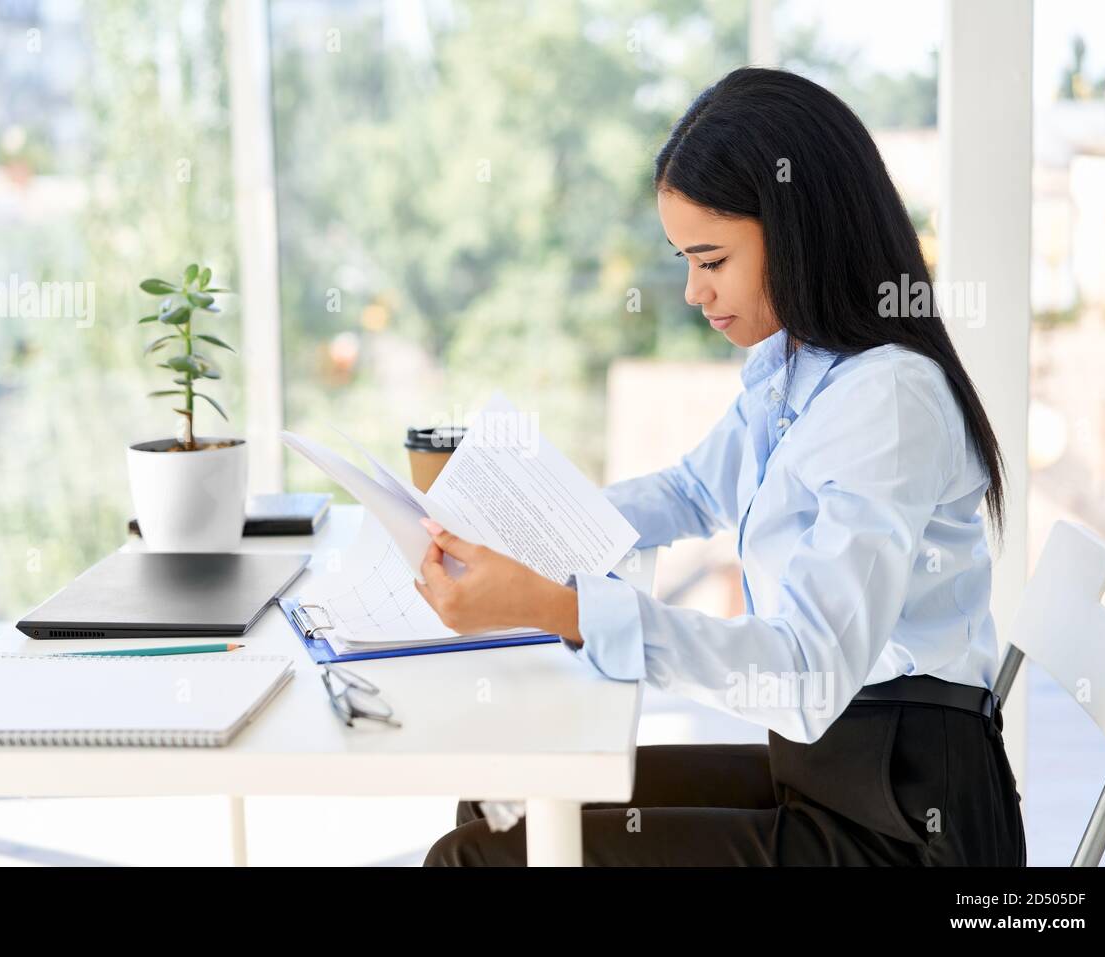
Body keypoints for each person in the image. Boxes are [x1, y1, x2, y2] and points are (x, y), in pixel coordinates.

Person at [416, 67, 1027, 866]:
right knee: (499, 806)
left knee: (483, 857)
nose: (694, 292)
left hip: (906, 819)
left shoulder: (890, 402)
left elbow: (806, 676)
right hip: (826, 767)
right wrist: (534, 528)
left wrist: (566, 610)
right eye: (685, 261)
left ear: (800, 227)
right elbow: (694, 489)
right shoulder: (800, 364)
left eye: (711, 259)